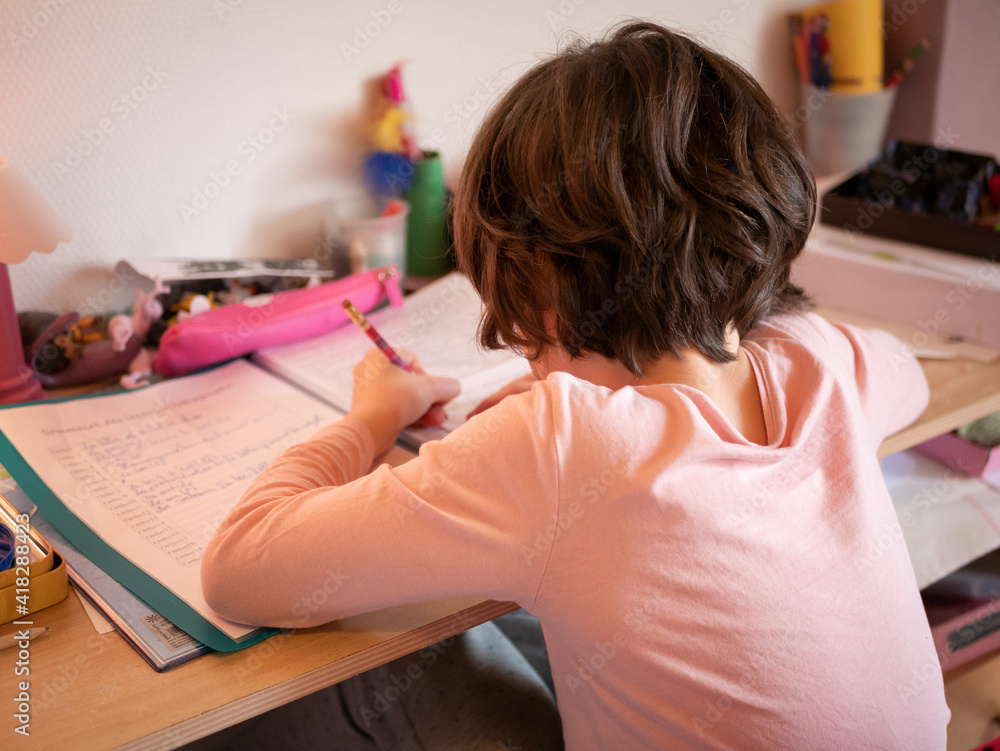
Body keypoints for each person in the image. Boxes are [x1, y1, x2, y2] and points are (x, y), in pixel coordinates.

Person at [201, 21, 950, 750]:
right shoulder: (820, 356)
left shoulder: (559, 441)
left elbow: (238, 568)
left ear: (543, 285)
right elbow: (907, 378)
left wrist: (373, 414)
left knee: (369, 663)